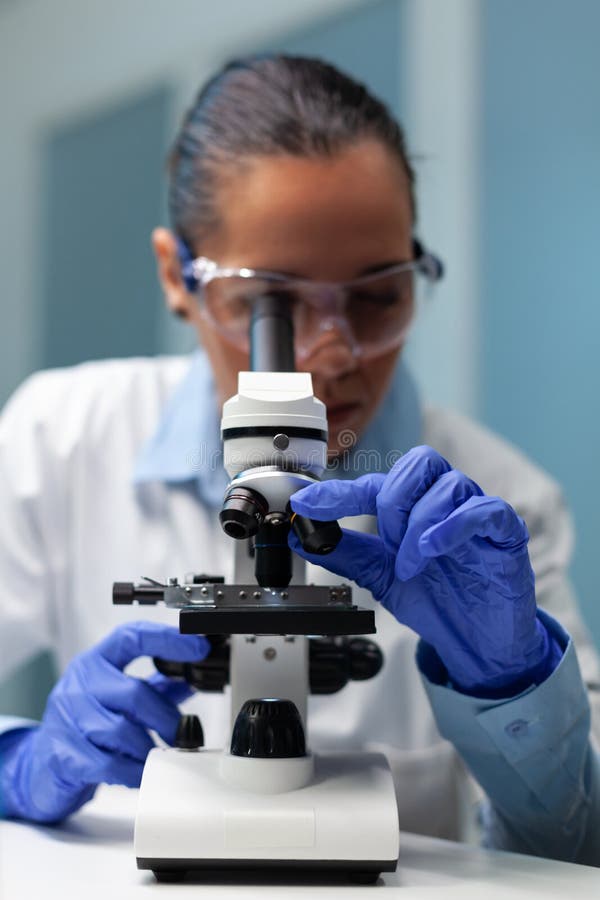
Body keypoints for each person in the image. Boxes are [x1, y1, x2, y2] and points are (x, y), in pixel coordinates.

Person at [0, 54, 598, 864]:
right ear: (179, 276)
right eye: (270, 304)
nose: (330, 352)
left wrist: (513, 691)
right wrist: (18, 764)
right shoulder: (59, 437)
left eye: (376, 295)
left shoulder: (504, 506)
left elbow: (578, 848)